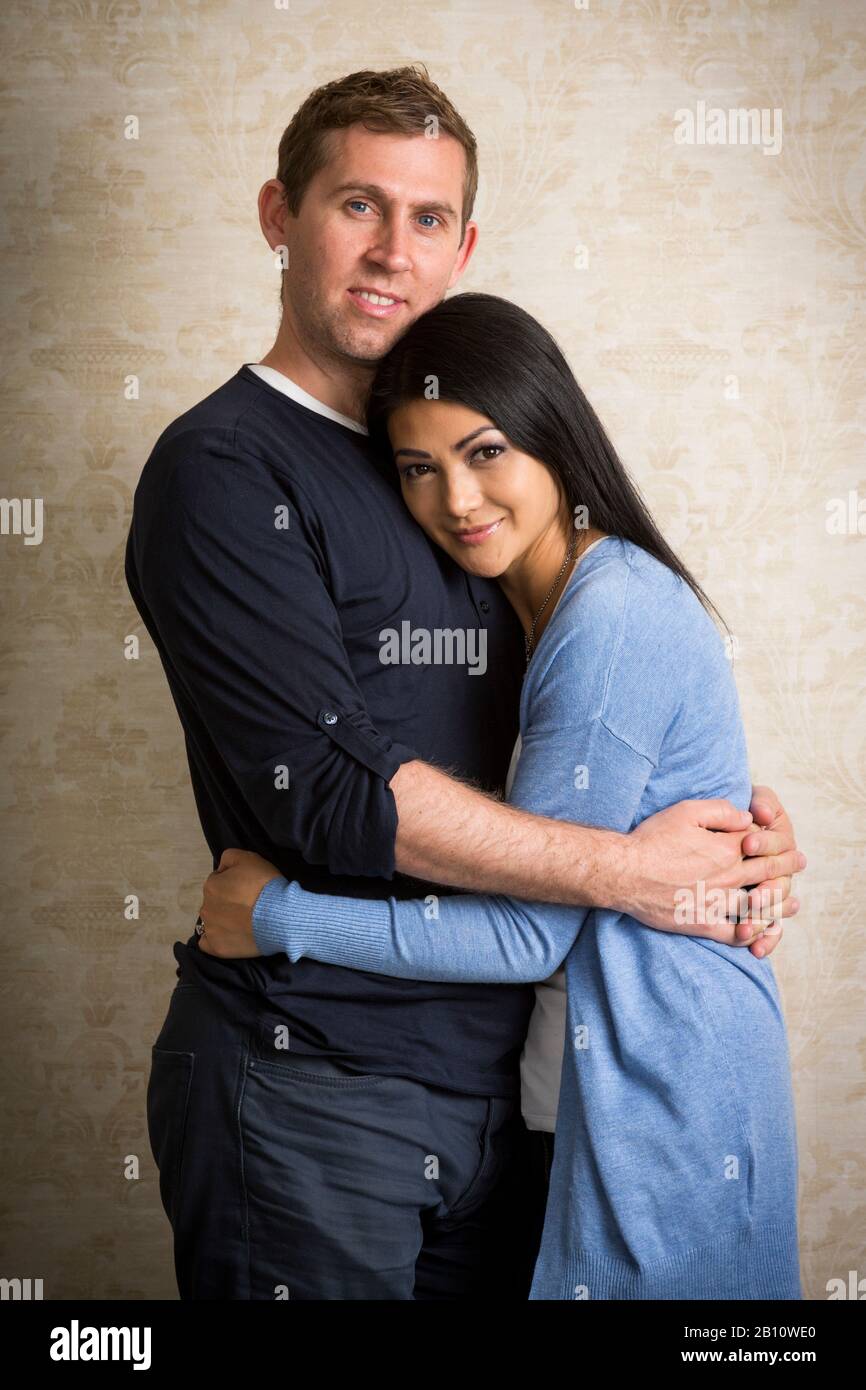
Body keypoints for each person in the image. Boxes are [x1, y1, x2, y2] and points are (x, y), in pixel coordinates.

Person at [127, 65, 804, 1301]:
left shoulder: (452, 481)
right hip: (313, 1086)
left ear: (464, 245)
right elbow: (335, 796)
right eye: (356, 206)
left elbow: (565, 742)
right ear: (279, 214)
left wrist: (729, 831)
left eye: (427, 217)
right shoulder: (226, 468)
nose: (391, 249)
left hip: (507, 1101)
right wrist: (633, 871)